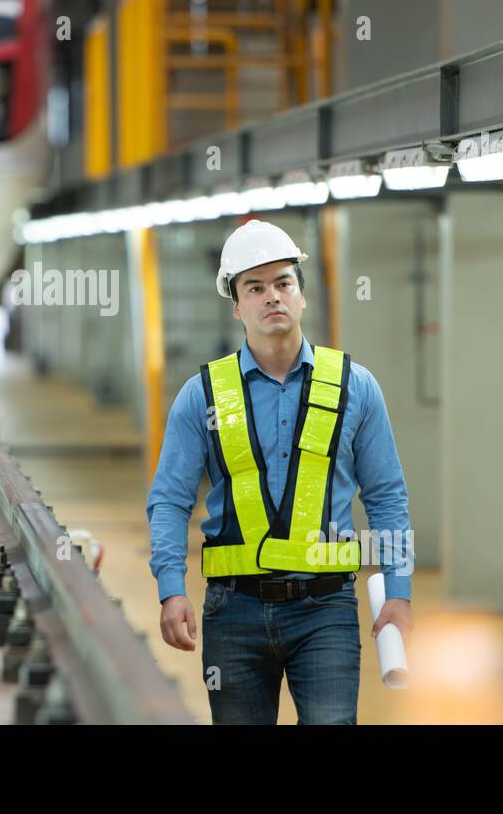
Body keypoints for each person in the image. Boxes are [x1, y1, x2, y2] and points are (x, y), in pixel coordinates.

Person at [146, 218, 414, 724]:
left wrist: (397, 592)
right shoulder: (202, 395)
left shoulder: (356, 387)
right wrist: (171, 588)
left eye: (283, 283)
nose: (272, 297)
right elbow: (169, 499)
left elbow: (387, 497)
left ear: (302, 296)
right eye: (256, 287)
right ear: (237, 304)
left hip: (326, 609)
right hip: (233, 612)